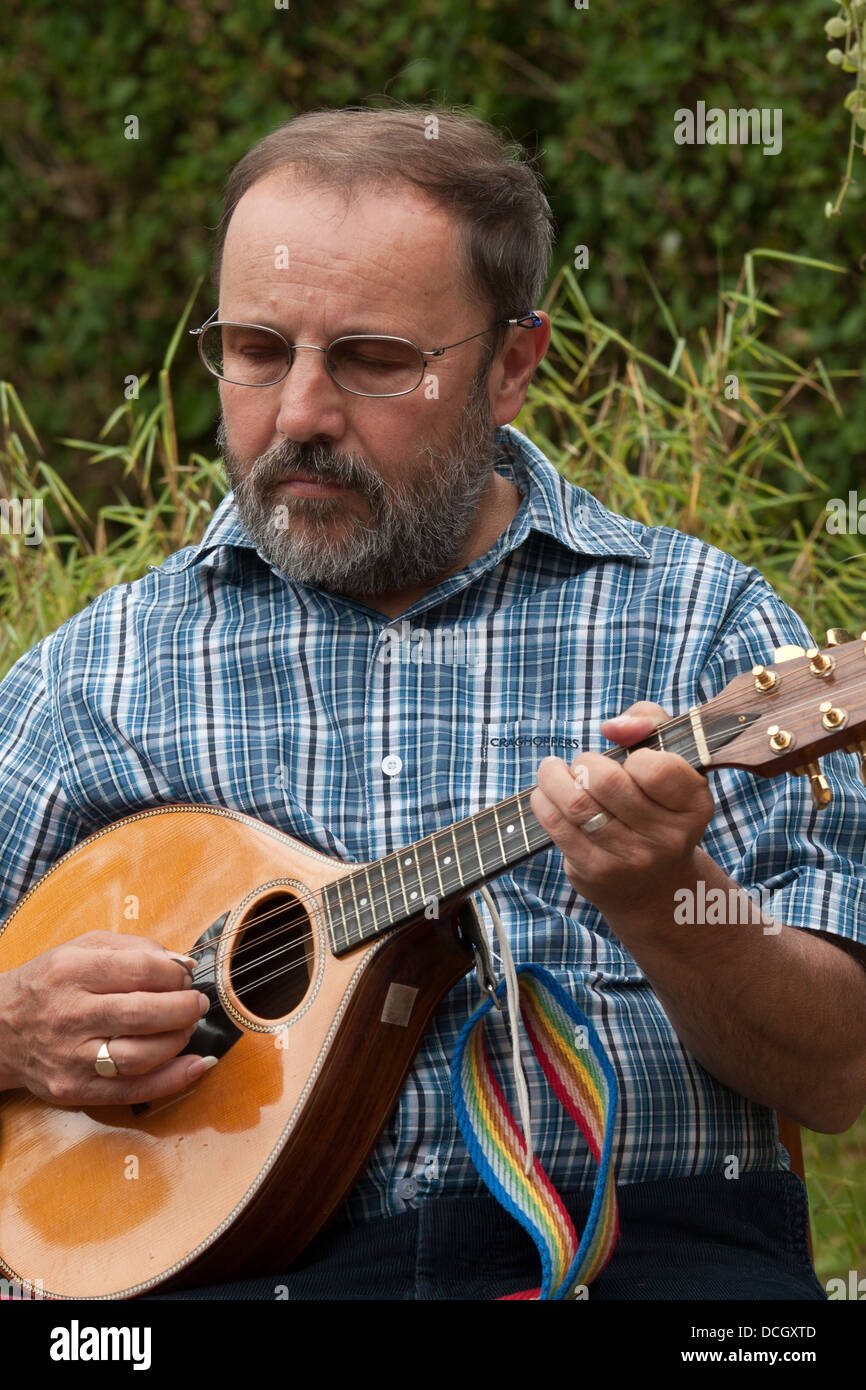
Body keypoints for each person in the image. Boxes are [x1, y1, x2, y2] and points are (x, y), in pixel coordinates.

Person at [0, 106, 864, 1302]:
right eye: (255, 349)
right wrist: (12, 1027)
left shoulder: (702, 627)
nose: (298, 412)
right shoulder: (95, 678)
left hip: (642, 1264)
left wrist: (665, 899)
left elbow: (833, 1073)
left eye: (368, 359)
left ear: (513, 365)